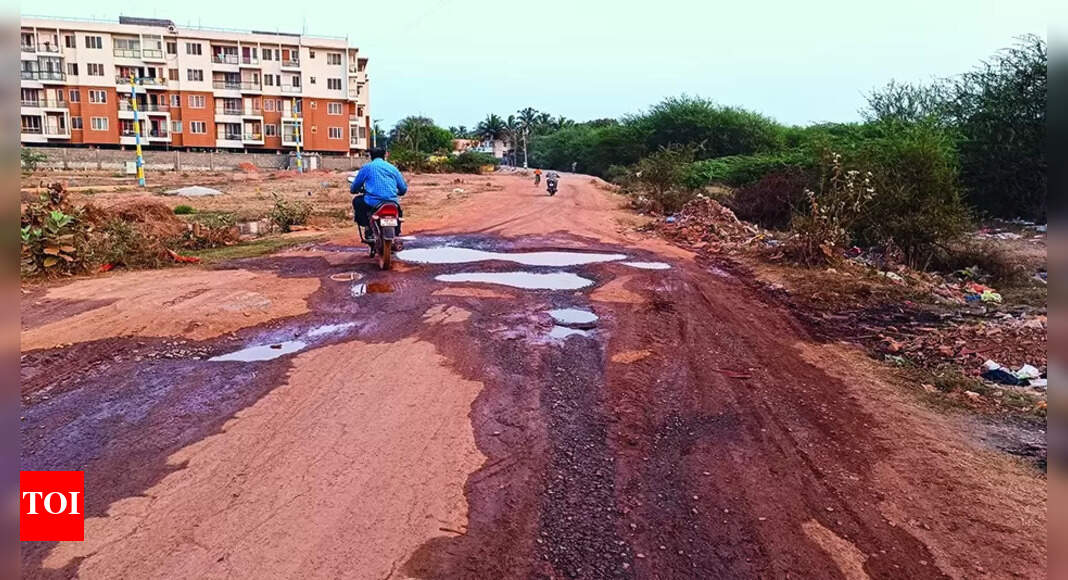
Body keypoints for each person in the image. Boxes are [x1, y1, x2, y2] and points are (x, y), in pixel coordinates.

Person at [350, 147, 407, 242]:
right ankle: (397, 231)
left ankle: (367, 228)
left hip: (373, 202)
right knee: (398, 211)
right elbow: (403, 188)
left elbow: (355, 186)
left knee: (357, 201)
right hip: (391, 202)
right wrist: (398, 193)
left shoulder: (367, 168)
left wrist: (354, 190)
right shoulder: (393, 168)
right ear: (385, 155)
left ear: (371, 156)